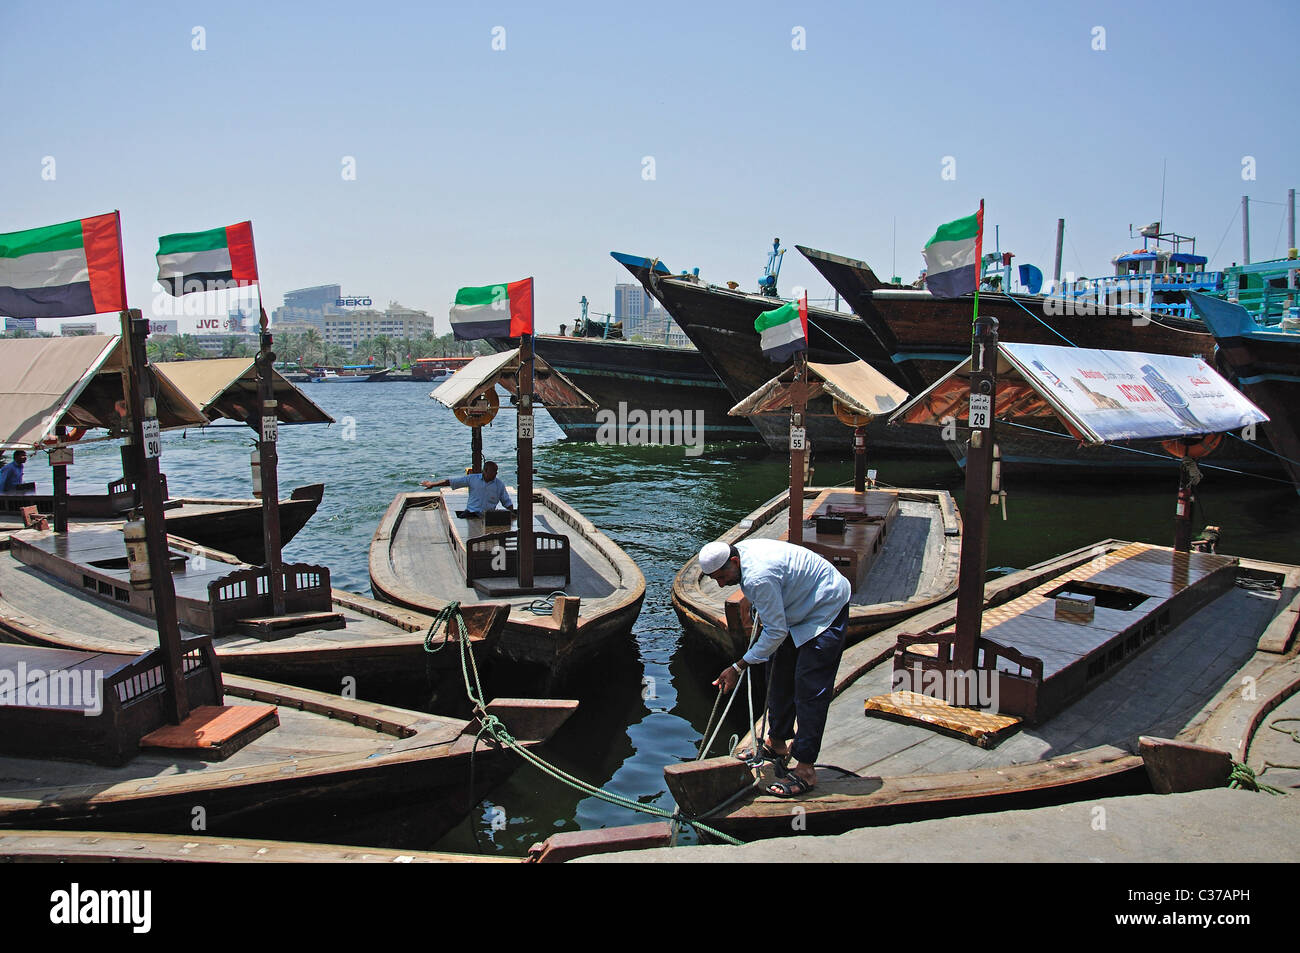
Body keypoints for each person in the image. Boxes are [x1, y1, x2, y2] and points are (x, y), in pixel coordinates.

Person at [701, 538, 850, 798]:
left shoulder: (758, 577)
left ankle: (805, 770)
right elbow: (775, 628)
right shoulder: (742, 557)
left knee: (809, 691)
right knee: (778, 677)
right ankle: (777, 742)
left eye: (722, 577)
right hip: (796, 610)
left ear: (734, 561)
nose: (721, 584)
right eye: (715, 579)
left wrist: (738, 666)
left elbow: (776, 631)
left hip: (825, 607)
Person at [422, 460, 515, 519]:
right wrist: (432, 484)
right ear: (485, 471)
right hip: (471, 512)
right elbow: (450, 482)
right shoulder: (472, 479)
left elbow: (507, 502)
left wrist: (512, 514)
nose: (495, 474)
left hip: (488, 516)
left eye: (496, 471)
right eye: (493, 471)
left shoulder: (499, 485)